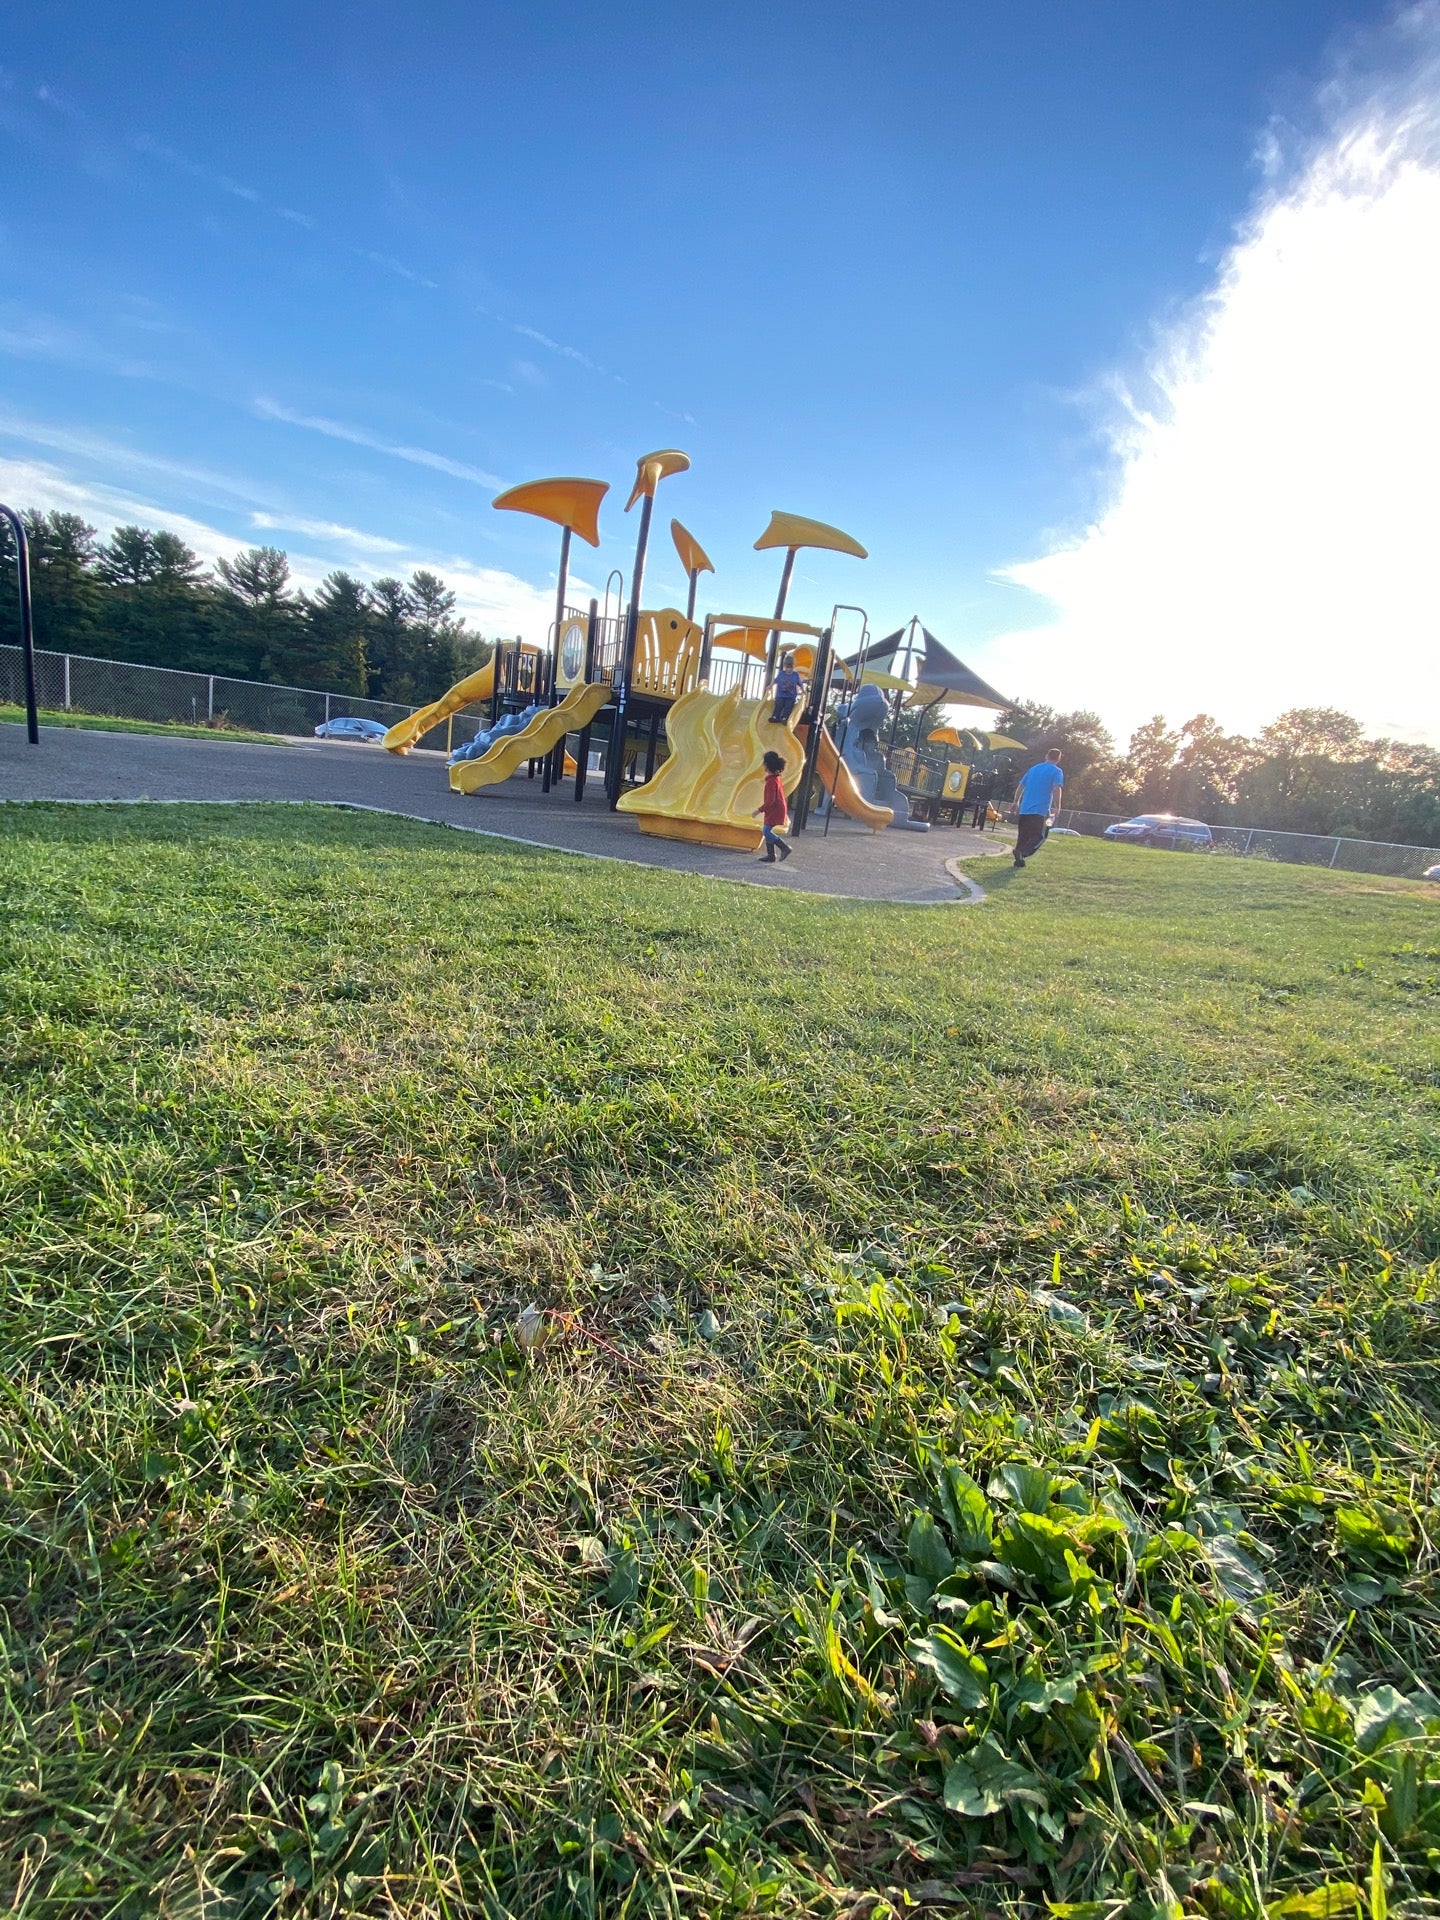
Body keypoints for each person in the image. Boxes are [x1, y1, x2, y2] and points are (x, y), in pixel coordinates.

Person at [1012, 748, 1064, 867]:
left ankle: (1019, 860)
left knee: (1023, 837)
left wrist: (1016, 801)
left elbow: (1021, 786)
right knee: (1040, 836)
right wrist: (1057, 807)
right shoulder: (1056, 771)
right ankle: (1022, 852)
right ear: (1058, 759)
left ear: (1046, 756)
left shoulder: (1033, 769)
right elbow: (1056, 789)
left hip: (1025, 809)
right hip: (1040, 810)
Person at [753, 749, 792, 863]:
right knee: (766, 829)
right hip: (775, 808)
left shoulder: (771, 781)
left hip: (775, 809)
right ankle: (771, 855)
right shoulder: (775, 778)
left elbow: (771, 801)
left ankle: (784, 847)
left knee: (766, 831)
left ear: (767, 765)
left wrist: (758, 810)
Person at [768, 653, 805, 726]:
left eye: (790, 667)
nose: (789, 669)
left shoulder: (795, 675)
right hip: (780, 695)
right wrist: (770, 686)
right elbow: (775, 680)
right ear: (784, 666)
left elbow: (800, 683)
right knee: (778, 705)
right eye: (787, 667)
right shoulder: (781, 674)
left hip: (791, 696)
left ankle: (785, 718)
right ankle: (775, 717)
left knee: (788, 707)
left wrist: (803, 690)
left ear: (793, 666)